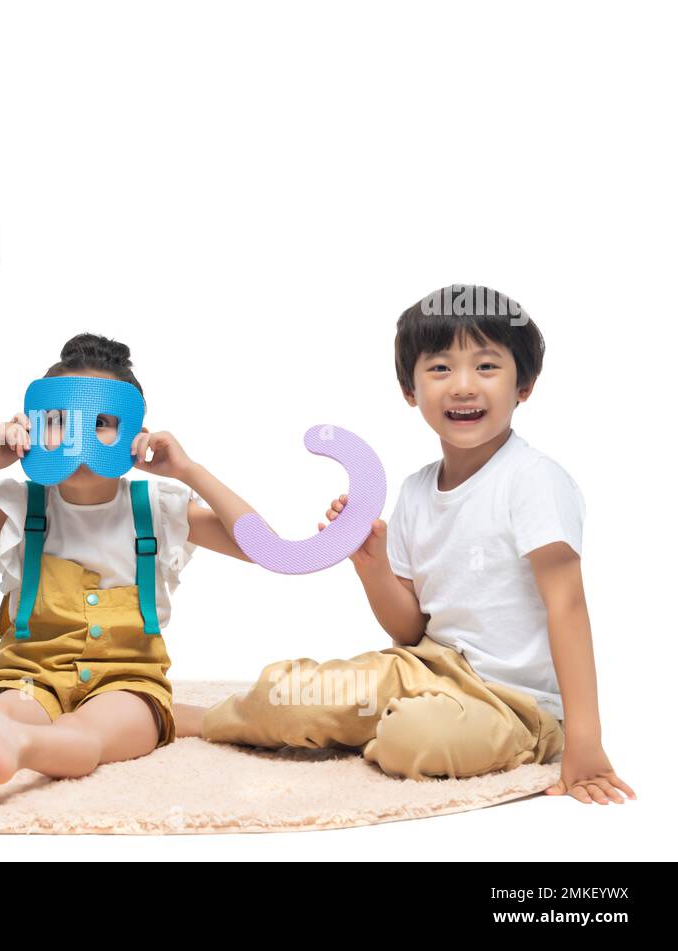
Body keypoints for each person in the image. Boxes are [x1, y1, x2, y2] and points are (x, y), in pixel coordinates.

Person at [180, 286, 635, 805]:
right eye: (440, 368)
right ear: (410, 389)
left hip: (516, 703)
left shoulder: (533, 480)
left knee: (413, 740)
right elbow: (410, 629)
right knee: (291, 694)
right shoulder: (417, 490)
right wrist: (371, 566)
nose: (463, 387)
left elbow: (568, 606)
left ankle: (455, 734)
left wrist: (585, 739)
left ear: (523, 385)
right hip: (425, 670)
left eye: (486, 367)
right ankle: (209, 719)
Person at [0, 333, 268, 806]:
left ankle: (17, 745)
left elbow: (261, 549)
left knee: (86, 736)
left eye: (103, 423)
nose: (81, 438)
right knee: (3, 717)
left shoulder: (157, 508)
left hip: (127, 683)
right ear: (33, 426)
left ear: (134, 434)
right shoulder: (19, 507)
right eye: (60, 422)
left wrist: (189, 472)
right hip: (31, 678)